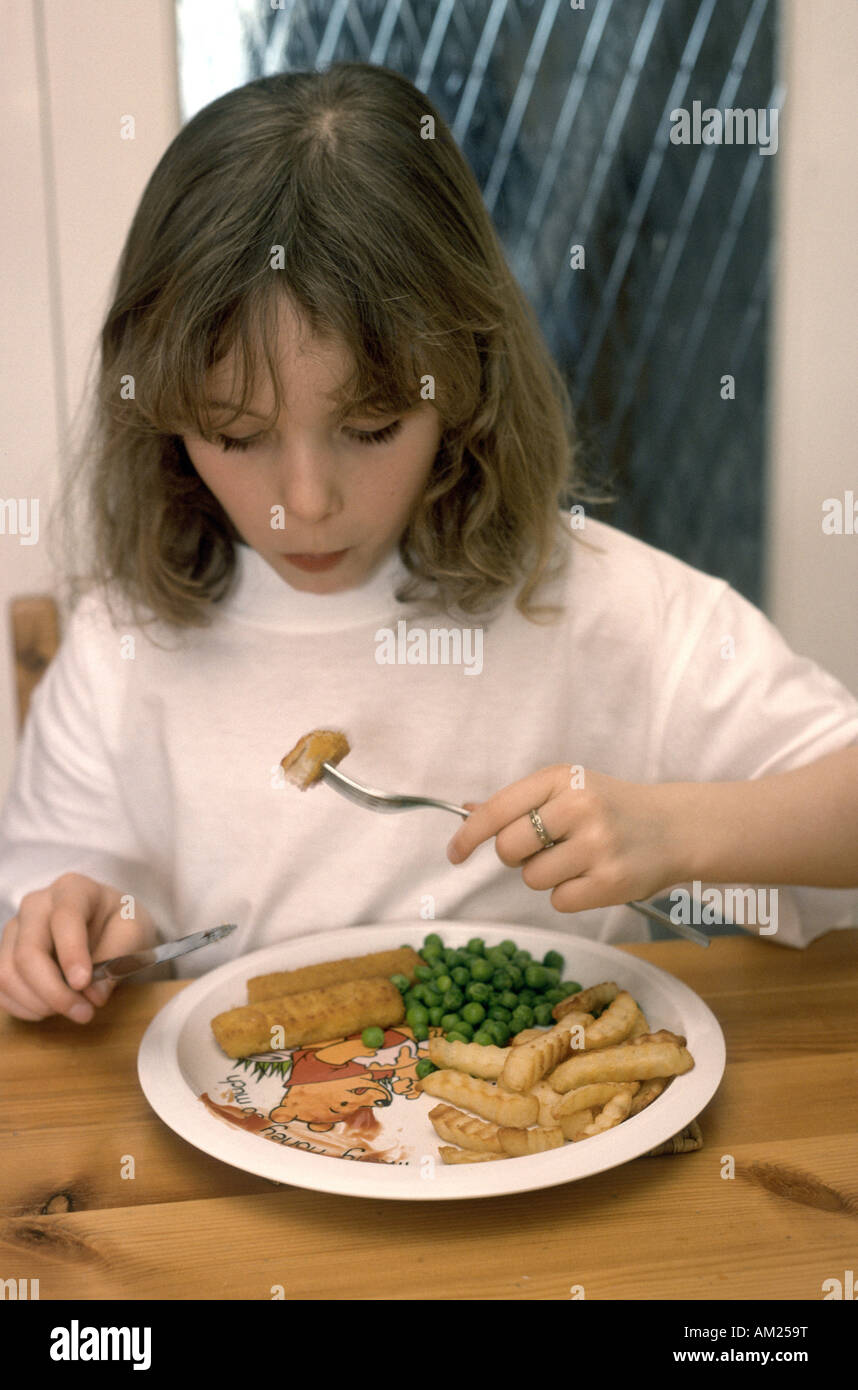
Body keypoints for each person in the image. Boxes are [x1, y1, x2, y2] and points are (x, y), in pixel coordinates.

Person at [0, 63, 856, 1030]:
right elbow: (67, 908)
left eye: (369, 429)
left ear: (468, 385)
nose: (305, 503)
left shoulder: (598, 605)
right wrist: (77, 939)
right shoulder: (126, 644)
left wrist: (678, 827)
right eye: (237, 435)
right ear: (157, 417)